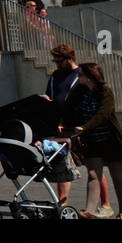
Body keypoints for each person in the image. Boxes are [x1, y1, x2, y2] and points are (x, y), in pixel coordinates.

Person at [68, 63, 122, 218]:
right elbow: (69, 108)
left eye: (80, 75)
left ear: (89, 77)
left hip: (110, 140)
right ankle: (89, 212)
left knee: (117, 177)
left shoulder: (106, 92)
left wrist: (85, 127)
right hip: (93, 141)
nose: (78, 77)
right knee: (93, 175)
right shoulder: (79, 91)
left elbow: (103, 115)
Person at [43, 45, 81, 205]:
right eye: (55, 61)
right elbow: (50, 97)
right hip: (59, 127)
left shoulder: (80, 75)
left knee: (94, 167)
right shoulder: (55, 76)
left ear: (69, 59)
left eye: (59, 61)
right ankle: (62, 202)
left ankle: (104, 203)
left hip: (77, 126)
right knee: (61, 163)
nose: (56, 64)